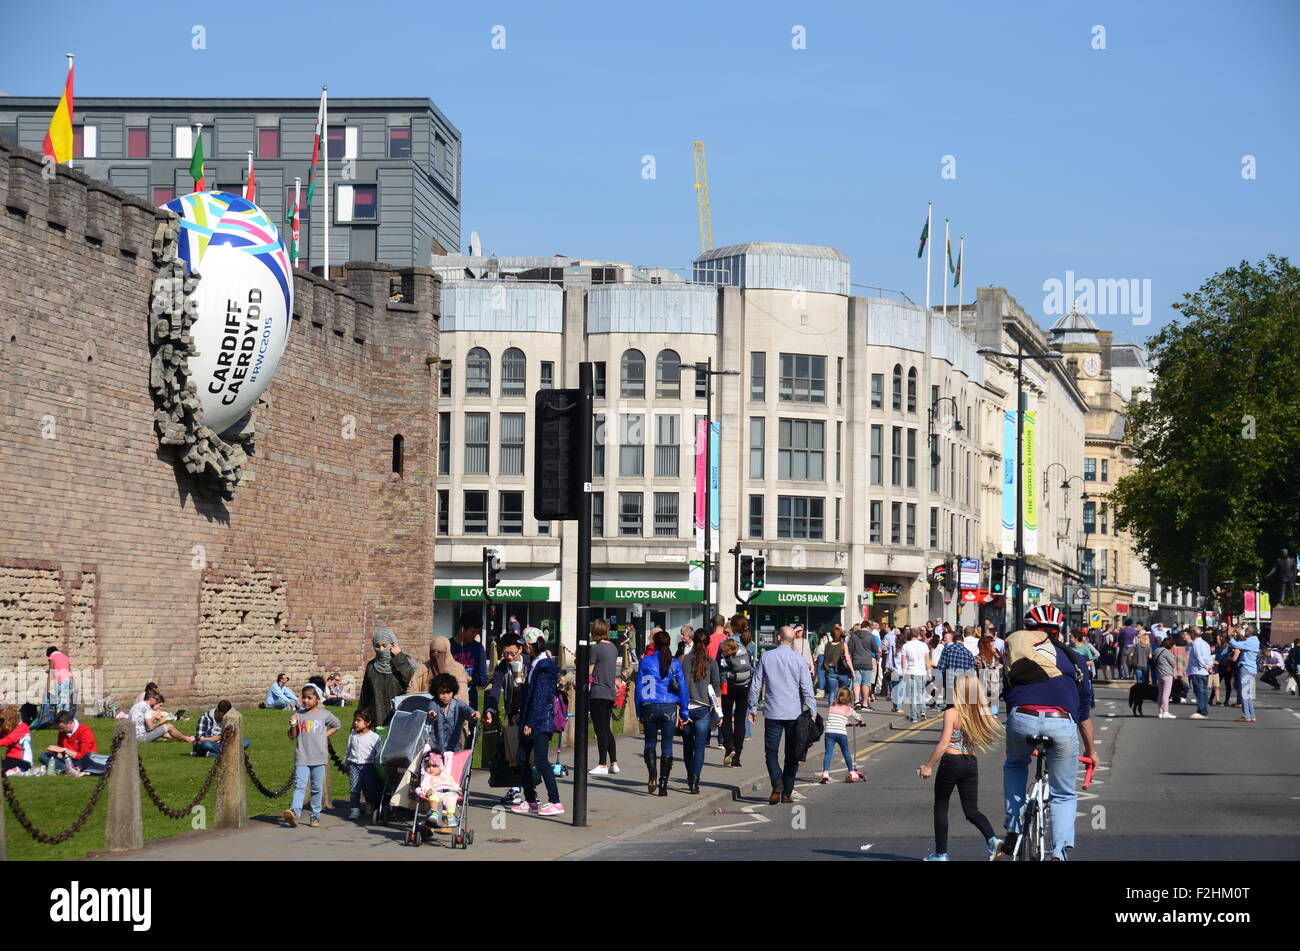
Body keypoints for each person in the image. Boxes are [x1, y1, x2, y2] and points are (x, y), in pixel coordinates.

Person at [993, 605, 1098, 862]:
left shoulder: (1015, 655)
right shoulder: (1075, 659)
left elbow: (1008, 695)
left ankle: (1014, 825)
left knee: (1016, 763)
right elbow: (1083, 716)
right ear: (1058, 631)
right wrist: (1091, 752)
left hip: (1021, 718)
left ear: (1027, 630)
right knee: (1063, 793)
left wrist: (1013, 734)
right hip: (1061, 722)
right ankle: (1059, 853)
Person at [919, 673, 1003, 861]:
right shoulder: (979, 713)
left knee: (941, 807)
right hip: (970, 763)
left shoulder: (952, 712)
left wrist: (928, 765)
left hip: (951, 761)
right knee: (972, 810)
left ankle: (941, 854)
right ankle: (992, 839)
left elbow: (943, 743)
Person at [747, 626, 816, 805]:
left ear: (778, 637)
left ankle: (777, 781)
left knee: (771, 751)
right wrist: (813, 711)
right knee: (792, 753)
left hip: (773, 711)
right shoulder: (799, 660)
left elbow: (756, 684)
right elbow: (807, 688)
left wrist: (752, 707)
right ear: (792, 640)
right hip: (794, 712)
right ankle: (786, 792)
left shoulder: (767, 656)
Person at [512, 630, 564, 816]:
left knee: (541, 761)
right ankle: (531, 800)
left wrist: (530, 722)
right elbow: (532, 694)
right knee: (522, 758)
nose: (523, 648)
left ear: (529, 645)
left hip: (540, 721)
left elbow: (540, 697)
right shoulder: (536, 663)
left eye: (523, 645)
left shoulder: (543, 666)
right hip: (532, 719)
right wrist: (522, 715)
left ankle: (555, 801)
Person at [636, 628, 691, 796]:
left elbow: (639, 688)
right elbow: (682, 688)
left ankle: (652, 774)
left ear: (655, 643)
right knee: (667, 746)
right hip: (669, 706)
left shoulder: (645, 662)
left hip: (650, 705)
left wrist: (639, 711)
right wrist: (685, 711)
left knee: (650, 743)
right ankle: (663, 785)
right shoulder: (675, 663)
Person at [282, 683, 340, 828]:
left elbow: (337, 725)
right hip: (302, 756)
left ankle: (315, 816)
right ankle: (295, 813)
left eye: (309, 698)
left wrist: (324, 735)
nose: (306, 701)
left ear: (317, 699)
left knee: (316, 788)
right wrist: (293, 726)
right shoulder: (298, 715)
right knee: (299, 786)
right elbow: (292, 736)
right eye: (304, 698)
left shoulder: (324, 714)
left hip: (319, 757)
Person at [485, 631, 532, 805]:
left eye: (512, 653)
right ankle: (516, 789)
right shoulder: (502, 667)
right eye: (506, 653)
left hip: (531, 712)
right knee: (514, 750)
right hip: (514, 712)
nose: (509, 657)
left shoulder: (530, 662)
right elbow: (495, 690)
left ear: (521, 648)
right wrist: (490, 710)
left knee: (529, 753)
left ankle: (530, 790)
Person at [681, 628, 721, 794]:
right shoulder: (711, 662)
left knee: (687, 746)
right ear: (707, 643)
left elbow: (679, 684)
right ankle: (696, 779)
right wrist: (719, 713)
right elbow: (716, 689)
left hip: (687, 708)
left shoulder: (684, 660)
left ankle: (690, 775)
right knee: (700, 747)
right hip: (703, 708)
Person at [358, 628, 415, 726]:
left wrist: (399, 658)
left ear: (393, 644)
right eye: (377, 646)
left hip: (399, 716)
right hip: (377, 717)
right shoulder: (371, 666)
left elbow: (411, 682)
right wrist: (361, 718)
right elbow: (365, 696)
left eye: (385, 646)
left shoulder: (405, 662)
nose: (381, 650)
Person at [587, 618, 620, 777]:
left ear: (596, 632)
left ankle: (602, 763)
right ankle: (614, 762)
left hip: (598, 692)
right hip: (609, 692)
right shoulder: (613, 648)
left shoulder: (596, 648)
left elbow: (589, 670)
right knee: (607, 728)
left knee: (600, 730)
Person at [718, 637, 753, 768]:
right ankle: (737, 757)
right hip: (743, 688)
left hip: (729, 687)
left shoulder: (727, 659)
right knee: (740, 720)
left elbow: (720, 668)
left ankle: (729, 746)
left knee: (726, 716)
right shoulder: (745, 652)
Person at [820, 687, 864, 783]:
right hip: (841, 733)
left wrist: (845, 720)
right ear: (849, 699)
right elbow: (858, 717)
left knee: (828, 753)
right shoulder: (848, 709)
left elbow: (836, 716)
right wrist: (861, 722)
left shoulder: (832, 705)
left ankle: (825, 773)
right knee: (846, 752)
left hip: (829, 732)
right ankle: (852, 771)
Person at [425, 673, 479, 752]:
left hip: (455, 748)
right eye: (442, 693)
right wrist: (432, 713)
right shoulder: (434, 703)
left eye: (448, 692)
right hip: (436, 749)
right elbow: (432, 708)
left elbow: (466, 709)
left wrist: (473, 713)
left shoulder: (458, 704)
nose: (445, 696)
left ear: (453, 692)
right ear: (436, 692)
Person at [344, 707, 382, 819]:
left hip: (368, 766)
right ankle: (355, 808)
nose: (355, 723)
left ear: (368, 722)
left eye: (358, 720)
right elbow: (349, 750)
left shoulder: (374, 737)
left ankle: (369, 803)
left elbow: (378, 753)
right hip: (354, 765)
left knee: (368, 789)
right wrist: (345, 762)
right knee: (354, 788)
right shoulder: (353, 735)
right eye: (355, 720)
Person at [409, 636, 470, 702]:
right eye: (433, 652)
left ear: (447, 652)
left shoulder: (457, 669)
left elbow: (462, 698)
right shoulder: (423, 668)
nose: (435, 654)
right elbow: (411, 691)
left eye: (439, 652)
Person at [451, 613, 489, 709]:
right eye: (472, 632)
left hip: (470, 702)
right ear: (462, 628)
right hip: (449, 702)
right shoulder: (448, 646)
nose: (475, 635)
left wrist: (470, 679)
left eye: (477, 632)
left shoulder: (478, 648)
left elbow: (483, 679)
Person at [130, 689, 195, 744]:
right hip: (140, 737)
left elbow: (149, 725)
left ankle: (184, 738)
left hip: (132, 737)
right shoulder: (146, 707)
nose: (156, 702)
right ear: (151, 699)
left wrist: (157, 720)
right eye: (156, 699)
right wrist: (162, 721)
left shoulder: (137, 706)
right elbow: (151, 727)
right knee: (169, 726)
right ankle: (188, 739)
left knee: (163, 731)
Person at [1229, 625, 1261, 723]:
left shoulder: (1250, 641)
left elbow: (1236, 644)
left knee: (1244, 694)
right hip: (1251, 668)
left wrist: (1230, 636)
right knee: (1249, 694)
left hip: (1246, 667)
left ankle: (1246, 715)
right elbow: (1243, 640)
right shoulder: (1255, 640)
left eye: (1246, 630)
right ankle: (1251, 715)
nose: (1244, 631)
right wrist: (1238, 633)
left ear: (1250, 632)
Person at [847, 623, 880, 709]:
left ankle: (857, 701)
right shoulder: (871, 636)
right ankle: (864, 703)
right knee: (866, 683)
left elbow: (850, 649)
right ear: (868, 627)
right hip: (867, 663)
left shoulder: (853, 636)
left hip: (856, 662)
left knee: (856, 682)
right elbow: (875, 650)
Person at [901, 630, 931, 723]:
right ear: (918, 635)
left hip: (911, 671)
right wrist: (929, 672)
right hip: (921, 672)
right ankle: (923, 712)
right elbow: (927, 661)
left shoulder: (905, 646)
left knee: (912, 695)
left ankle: (914, 716)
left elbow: (903, 661)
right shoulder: (924, 645)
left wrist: (904, 672)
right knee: (921, 693)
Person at [822, 624, 854, 709]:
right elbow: (847, 659)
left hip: (831, 670)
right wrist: (853, 672)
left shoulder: (827, 645)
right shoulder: (843, 645)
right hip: (842, 671)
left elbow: (825, 657)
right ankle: (842, 708)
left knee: (832, 691)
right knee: (843, 691)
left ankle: (831, 708)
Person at [1186, 627, 1213, 719]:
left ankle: (1202, 711)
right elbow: (1209, 656)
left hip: (1197, 670)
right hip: (1204, 671)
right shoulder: (1205, 643)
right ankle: (1203, 709)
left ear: (1193, 634)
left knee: (1199, 691)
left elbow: (1199, 657)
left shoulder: (1195, 644)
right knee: (1204, 691)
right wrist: (1209, 666)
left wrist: (1205, 666)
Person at [1, 704, 34, 775]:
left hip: (23, 760)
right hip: (12, 758)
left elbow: (8, 740)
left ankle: (18, 770)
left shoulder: (22, 728)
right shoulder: (13, 727)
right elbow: (2, 734)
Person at [976, 635, 1003, 717]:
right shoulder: (981, 656)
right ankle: (991, 714)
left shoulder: (995, 653)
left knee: (992, 697)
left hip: (989, 680)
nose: (993, 645)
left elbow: (1001, 665)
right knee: (990, 698)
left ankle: (992, 713)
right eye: (992, 644)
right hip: (988, 680)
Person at [1152, 636, 1178, 719]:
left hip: (1159, 674)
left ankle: (1160, 711)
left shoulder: (1156, 651)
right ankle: (1166, 711)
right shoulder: (1167, 652)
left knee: (1160, 693)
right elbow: (1173, 664)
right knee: (1166, 694)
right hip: (1167, 674)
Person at [1215, 632, 1237, 707]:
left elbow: (1229, 657)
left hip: (1227, 667)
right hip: (1221, 666)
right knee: (1217, 683)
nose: (1220, 638)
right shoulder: (1221, 646)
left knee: (1227, 684)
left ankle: (1226, 701)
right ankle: (1211, 699)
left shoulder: (1230, 647)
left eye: (1222, 637)